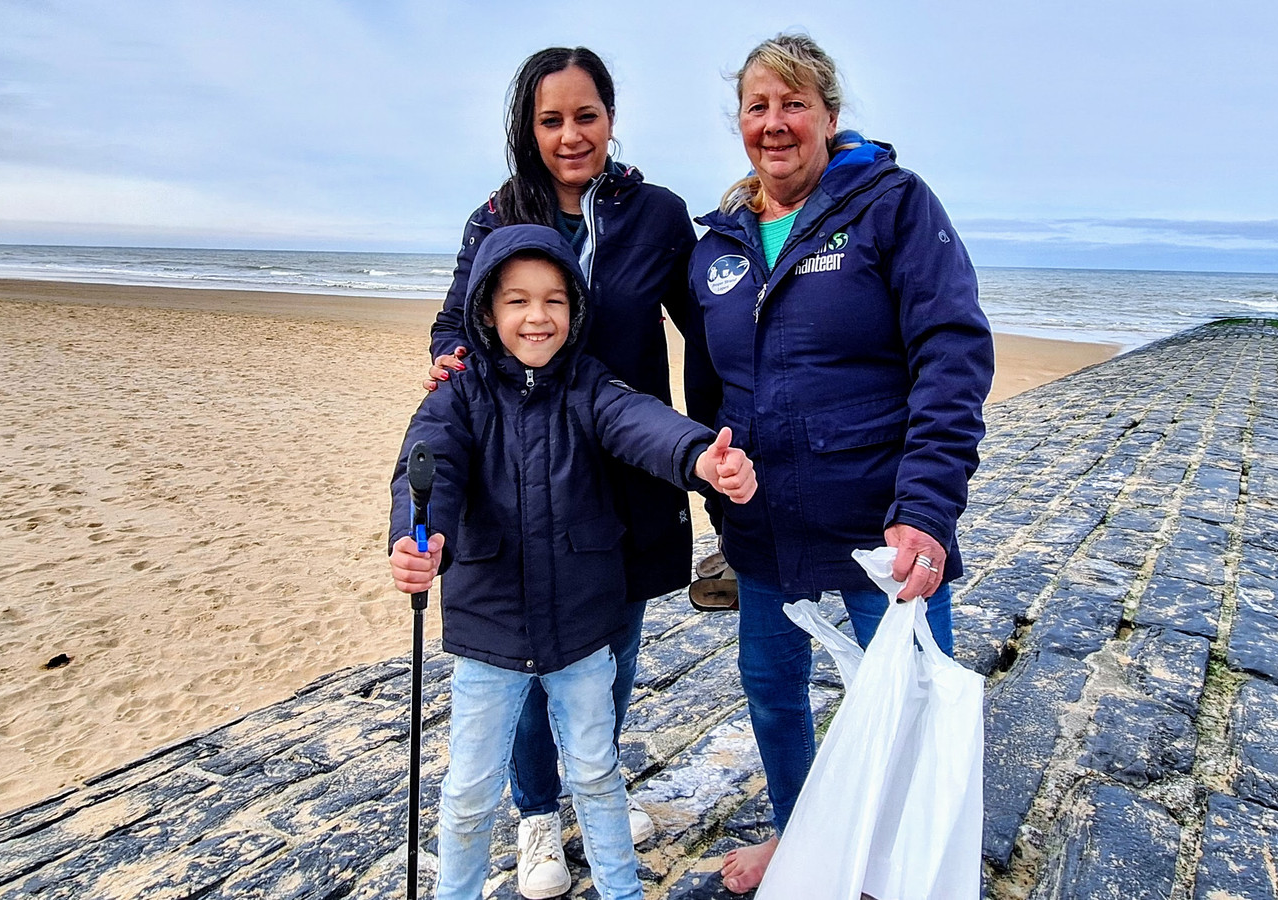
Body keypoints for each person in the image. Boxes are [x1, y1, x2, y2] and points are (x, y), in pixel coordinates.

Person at [685, 33, 994, 893]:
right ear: (738, 121)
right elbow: (708, 393)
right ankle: (799, 837)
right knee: (773, 694)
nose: (774, 124)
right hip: (763, 537)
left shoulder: (891, 206)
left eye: (793, 105)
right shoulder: (715, 246)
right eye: (757, 106)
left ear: (828, 114)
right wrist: (720, 503)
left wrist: (925, 509)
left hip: (878, 525)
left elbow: (953, 353)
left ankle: (896, 866)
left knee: (906, 709)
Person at [423, 45, 717, 897]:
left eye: (585, 116)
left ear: (611, 119)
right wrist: (450, 363)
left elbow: (706, 326)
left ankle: (596, 789)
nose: (569, 135)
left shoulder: (658, 213)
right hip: (515, 477)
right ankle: (538, 815)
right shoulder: (496, 215)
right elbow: (454, 323)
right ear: (528, 126)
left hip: (624, 465)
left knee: (608, 652)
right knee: (519, 656)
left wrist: (710, 430)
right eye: (550, 120)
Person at [391, 225, 756, 900]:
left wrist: (702, 458)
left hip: (584, 627)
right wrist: (417, 537)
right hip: (488, 634)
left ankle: (620, 890)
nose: (537, 317)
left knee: (596, 775)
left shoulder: (589, 383)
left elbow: (642, 423)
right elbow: (429, 465)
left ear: (575, 311)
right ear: (486, 311)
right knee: (469, 790)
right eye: (517, 301)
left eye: (555, 301)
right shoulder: (458, 392)